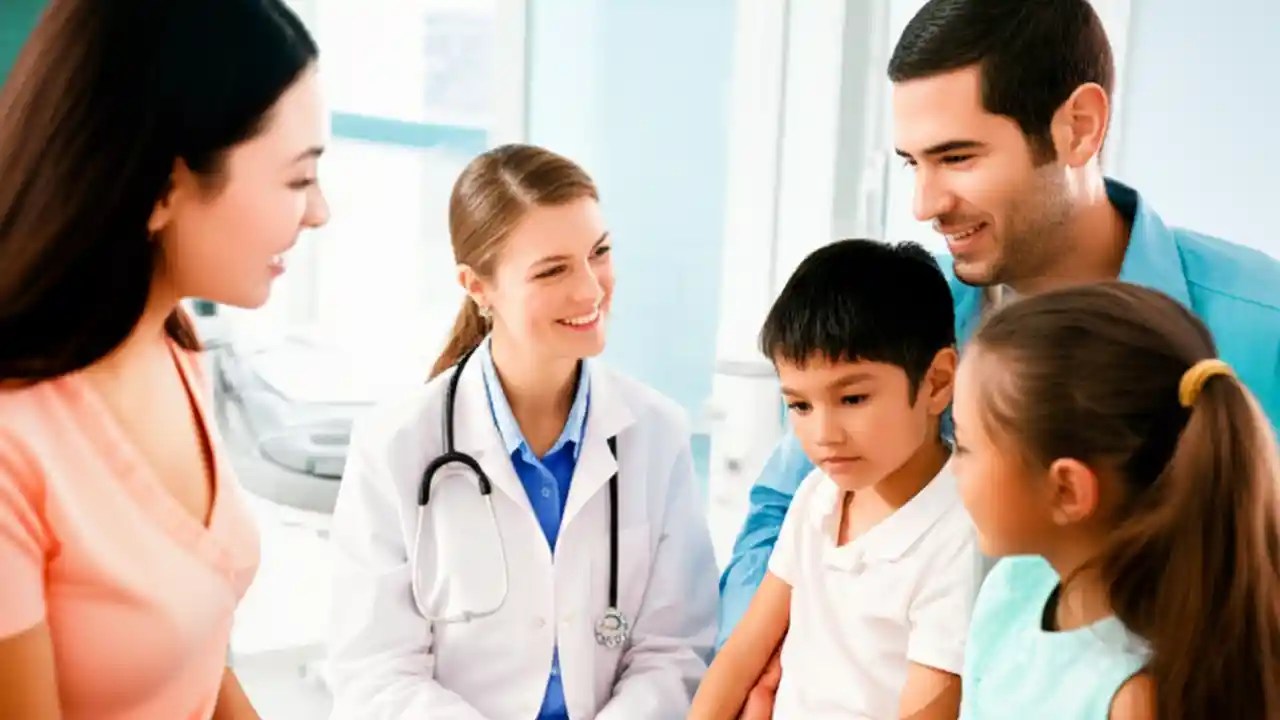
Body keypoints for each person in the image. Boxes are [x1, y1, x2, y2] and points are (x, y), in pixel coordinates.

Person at [718, 0, 1280, 660]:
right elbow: (783, 506)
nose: (924, 204)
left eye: (957, 157)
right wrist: (765, 668)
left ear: (1080, 126)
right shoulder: (905, 308)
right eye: (911, 163)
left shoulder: (1259, 328)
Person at [0, 1, 329, 718]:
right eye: (298, 180)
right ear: (163, 187)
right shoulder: (12, 448)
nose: (319, 212)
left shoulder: (175, 346)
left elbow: (200, 666)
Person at [326, 143, 719, 720]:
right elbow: (374, 672)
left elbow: (675, 650)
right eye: (553, 269)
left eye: (599, 252)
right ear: (477, 286)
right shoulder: (396, 446)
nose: (590, 289)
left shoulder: (656, 434)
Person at [952, 281, 1280, 719]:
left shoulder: (1133, 697)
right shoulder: (1013, 587)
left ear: (1066, 490)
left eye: (963, 445)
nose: (952, 466)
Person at [690, 240, 984, 719]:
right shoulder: (817, 496)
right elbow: (744, 651)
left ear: (936, 383)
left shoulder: (960, 534)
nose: (823, 435)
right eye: (800, 406)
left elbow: (930, 707)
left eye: (852, 400)